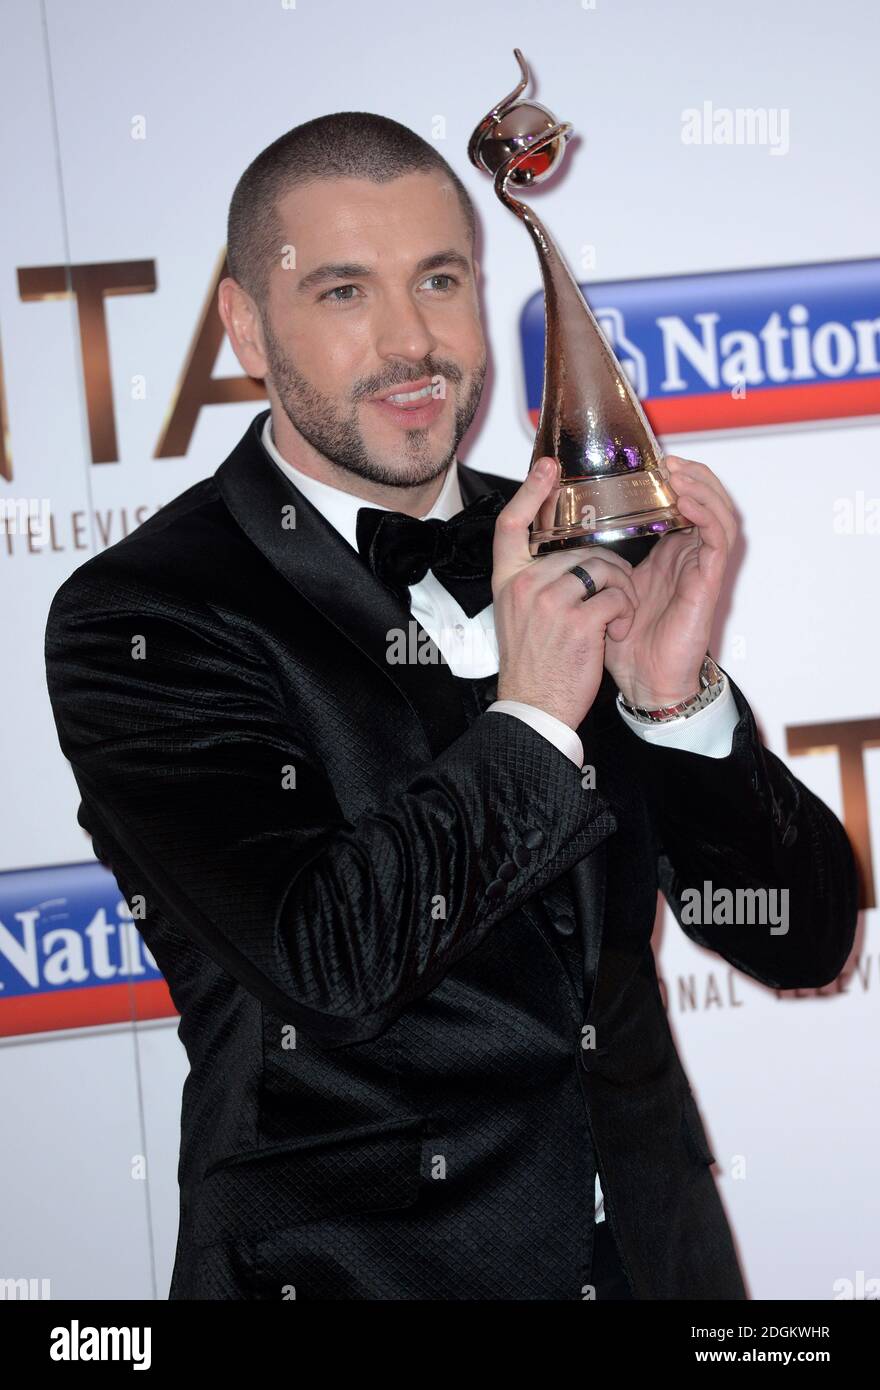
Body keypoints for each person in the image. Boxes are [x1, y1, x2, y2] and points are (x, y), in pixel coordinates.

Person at [44, 113, 858, 1301]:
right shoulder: (149, 617)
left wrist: (673, 702)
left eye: (440, 279)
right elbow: (328, 963)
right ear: (244, 328)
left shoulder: (578, 537)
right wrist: (530, 718)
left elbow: (798, 934)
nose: (410, 340)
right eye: (342, 292)